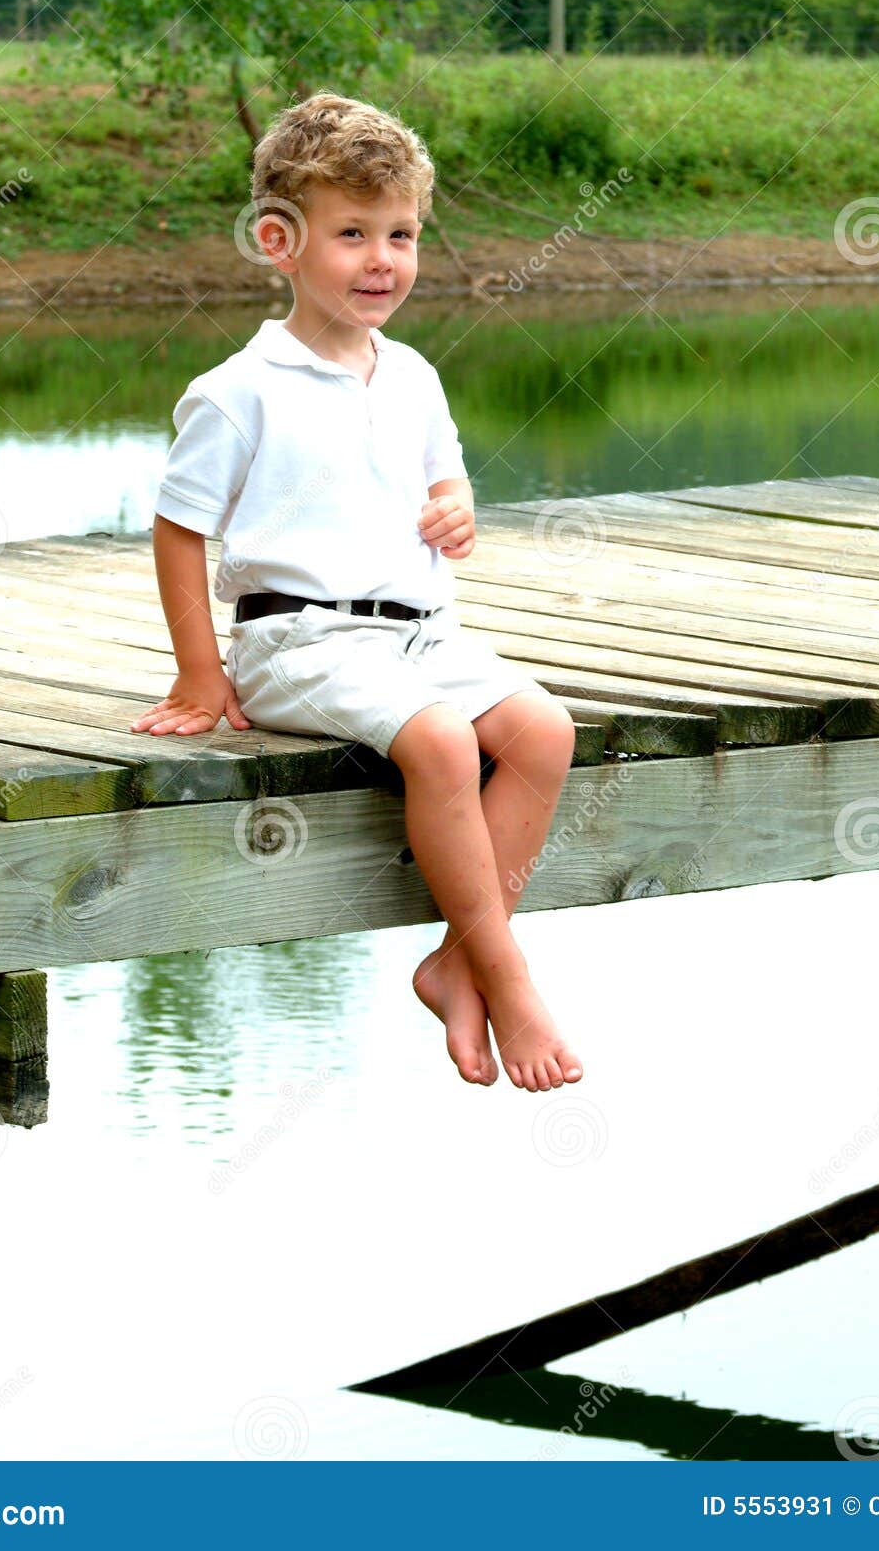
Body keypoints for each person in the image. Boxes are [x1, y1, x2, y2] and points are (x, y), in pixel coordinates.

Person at [131, 92, 582, 1092]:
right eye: (350, 235)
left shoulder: (412, 373)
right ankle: (503, 971)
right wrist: (201, 672)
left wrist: (456, 508)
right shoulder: (239, 388)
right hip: (300, 645)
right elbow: (176, 526)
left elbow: (444, 475)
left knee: (546, 732)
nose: (381, 259)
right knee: (441, 743)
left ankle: (452, 960)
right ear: (277, 241)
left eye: (400, 234)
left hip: (421, 636)